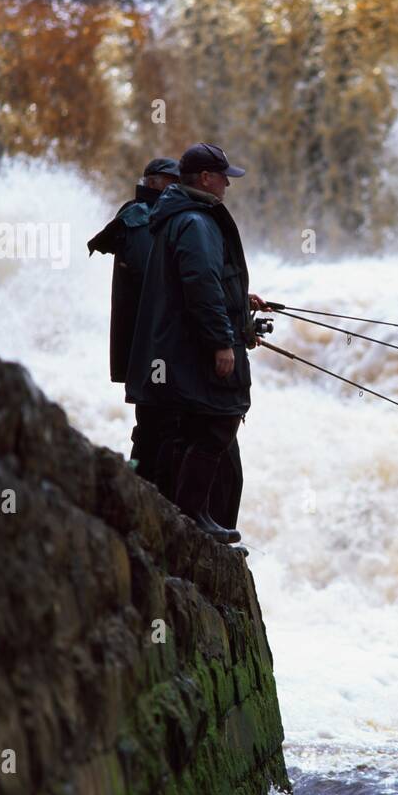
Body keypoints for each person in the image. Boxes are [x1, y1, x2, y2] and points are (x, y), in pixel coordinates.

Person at [125, 143, 266, 544]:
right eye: (223, 176)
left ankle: (192, 514)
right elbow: (200, 285)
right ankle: (194, 515)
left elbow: (204, 280)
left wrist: (241, 301)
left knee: (192, 427)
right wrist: (222, 342)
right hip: (191, 350)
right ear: (205, 178)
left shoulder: (174, 216)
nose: (227, 184)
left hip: (173, 350)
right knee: (221, 416)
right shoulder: (197, 222)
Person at [88, 157, 180, 482]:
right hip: (151, 346)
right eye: (173, 181)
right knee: (154, 426)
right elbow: (154, 282)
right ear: (153, 182)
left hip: (150, 346)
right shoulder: (140, 219)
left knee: (155, 425)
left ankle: (140, 489)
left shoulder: (150, 216)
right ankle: (137, 489)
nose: (179, 187)